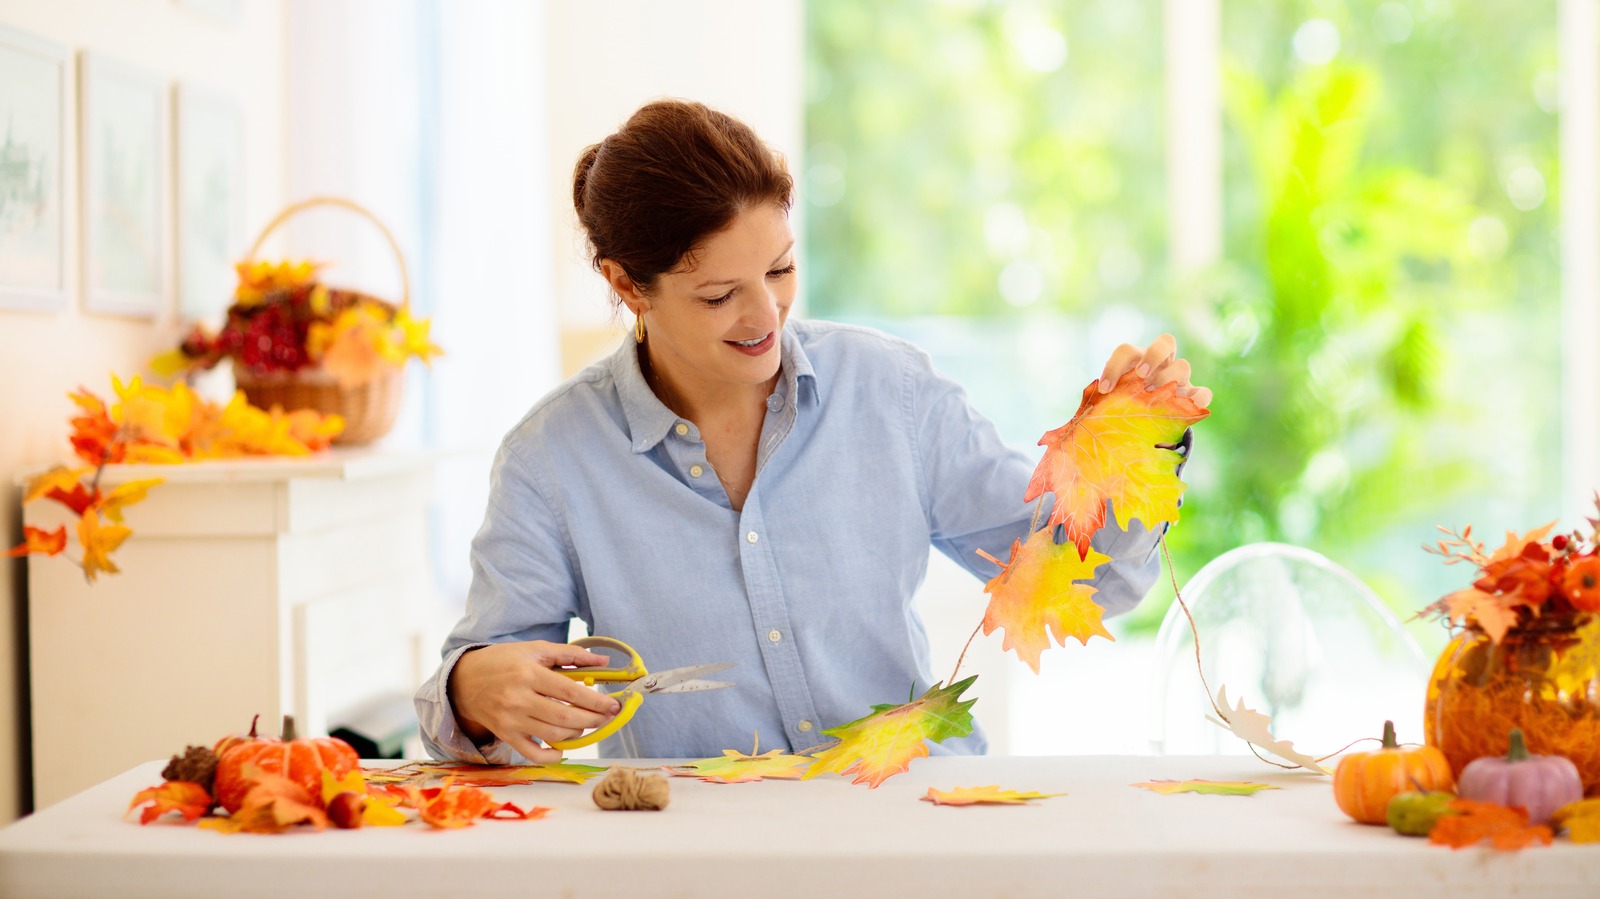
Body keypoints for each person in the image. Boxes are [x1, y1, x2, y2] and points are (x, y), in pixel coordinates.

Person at [415, 98, 1211, 765]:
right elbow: (484, 699)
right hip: (697, 864)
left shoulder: (891, 393)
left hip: (919, 826)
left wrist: (1135, 454)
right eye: (720, 293)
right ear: (628, 284)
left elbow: (1084, 577)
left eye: (780, 269)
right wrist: (473, 691)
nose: (765, 316)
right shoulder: (552, 459)